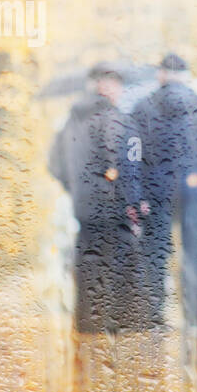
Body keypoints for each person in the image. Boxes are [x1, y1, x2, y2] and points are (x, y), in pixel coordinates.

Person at [48, 63, 147, 334]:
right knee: (121, 263)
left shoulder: (71, 119)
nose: (119, 91)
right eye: (117, 84)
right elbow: (123, 167)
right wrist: (135, 205)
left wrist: (77, 187)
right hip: (113, 206)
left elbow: (53, 165)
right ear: (107, 86)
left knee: (88, 261)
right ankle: (121, 325)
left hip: (84, 207)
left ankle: (88, 324)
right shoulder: (114, 119)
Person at [131, 53, 197, 329]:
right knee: (193, 252)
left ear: (161, 74)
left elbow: (131, 155)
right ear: (186, 75)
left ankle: (153, 315)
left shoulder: (142, 108)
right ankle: (194, 316)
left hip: (155, 191)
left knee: (156, 253)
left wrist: (136, 194)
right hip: (192, 190)